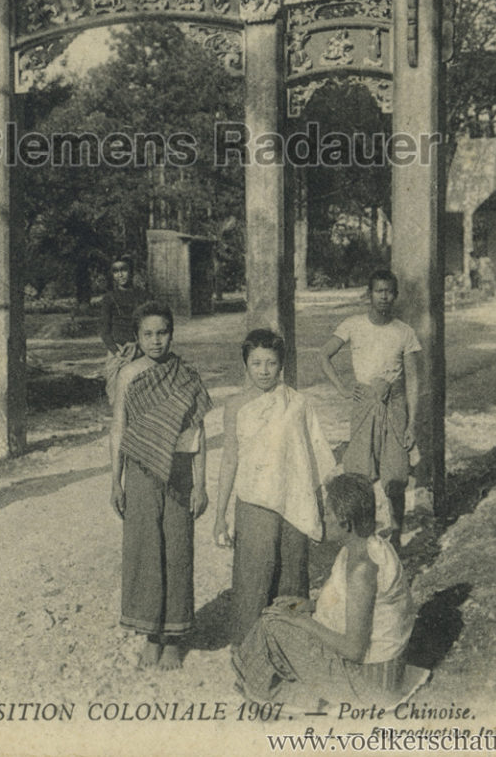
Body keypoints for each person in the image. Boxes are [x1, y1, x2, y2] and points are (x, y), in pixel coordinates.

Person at [232, 473, 416, 706]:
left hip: (371, 683)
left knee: (272, 626)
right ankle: (260, 685)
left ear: (345, 522)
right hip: (383, 670)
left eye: (328, 513)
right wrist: (299, 606)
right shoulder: (368, 545)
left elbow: (354, 650)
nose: (323, 518)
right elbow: (345, 606)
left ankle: (260, 695)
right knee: (282, 606)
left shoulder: (362, 569)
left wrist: (302, 621)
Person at [213, 329, 336, 648]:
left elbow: (314, 453)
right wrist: (219, 515)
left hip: (293, 502)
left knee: (293, 577)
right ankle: (249, 649)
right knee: (252, 579)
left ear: (281, 365)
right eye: (256, 363)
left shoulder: (297, 404)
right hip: (253, 503)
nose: (264, 370)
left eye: (271, 363)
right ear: (245, 365)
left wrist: (319, 501)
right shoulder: (235, 406)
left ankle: (292, 646)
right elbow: (229, 460)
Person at [110, 301, 212, 670]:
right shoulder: (129, 376)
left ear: (172, 333)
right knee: (145, 551)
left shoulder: (186, 376)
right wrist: (115, 481)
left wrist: (201, 485)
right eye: (148, 334)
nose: (156, 341)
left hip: (180, 474)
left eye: (162, 333)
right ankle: (151, 634)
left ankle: (174, 637)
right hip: (140, 473)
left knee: (177, 550)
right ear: (137, 338)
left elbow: (198, 435)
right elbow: (118, 429)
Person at [318, 269, 420, 546]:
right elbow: (324, 354)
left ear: (395, 295)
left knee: (396, 475)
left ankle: (397, 534)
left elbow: (412, 379)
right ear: (369, 294)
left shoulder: (404, 332)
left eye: (389, 291)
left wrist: (411, 423)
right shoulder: (353, 325)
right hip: (364, 408)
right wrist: (342, 387)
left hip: (395, 407)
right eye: (379, 291)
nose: (384, 296)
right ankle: (364, 536)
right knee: (360, 475)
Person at [100, 255, 142, 405]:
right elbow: (104, 331)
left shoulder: (142, 295)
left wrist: (138, 345)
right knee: (117, 395)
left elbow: (149, 324)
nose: (120, 275)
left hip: (139, 349)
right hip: (117, 351)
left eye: (124, 270)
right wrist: (117, 353)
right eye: (116, 271)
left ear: (131, 271)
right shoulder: (109, 298)